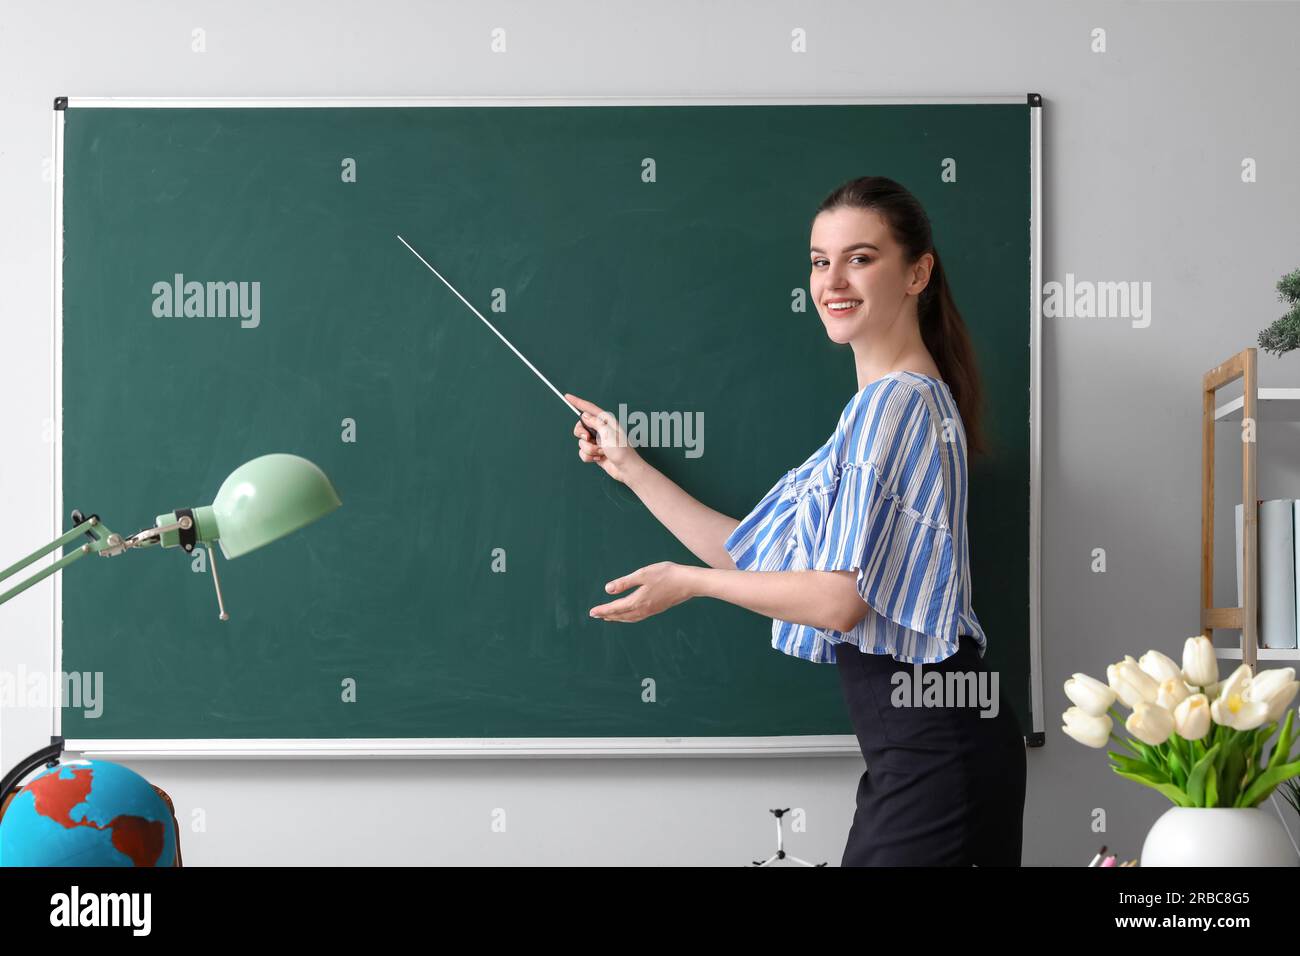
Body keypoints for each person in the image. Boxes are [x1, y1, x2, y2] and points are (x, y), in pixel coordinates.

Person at [564, 175, 1025, 866]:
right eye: (819, 260)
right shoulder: (885, 407)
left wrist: (690, 583)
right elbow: (758, 559)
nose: (832, 280)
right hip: (928, 743)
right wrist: (628, 466)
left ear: (917, 272)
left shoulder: (892, 406)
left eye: (860, 257)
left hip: (934, 746)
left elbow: (837, 601)